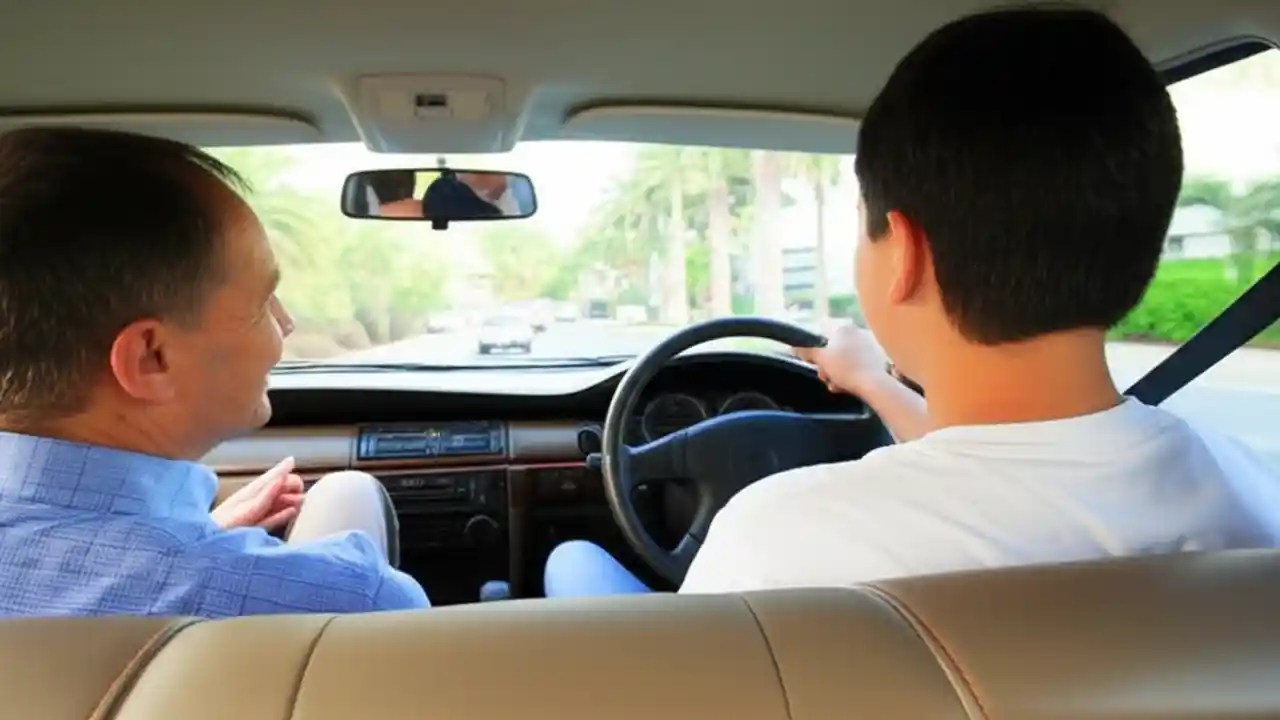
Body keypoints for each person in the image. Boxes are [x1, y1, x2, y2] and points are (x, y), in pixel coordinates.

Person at [543, 7, 1280, 597]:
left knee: (574, 565)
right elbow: (1019, 464)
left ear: (903, 252)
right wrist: (869, 382)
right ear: (1140, 247)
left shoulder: (783, 539)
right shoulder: (1250, 492)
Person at [0, 127, 430, 617]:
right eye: (260, 303)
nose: (285, 323)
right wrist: (191, 553)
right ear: (150, 358)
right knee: (347, 490)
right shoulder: (355, 602)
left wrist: (198, 536)